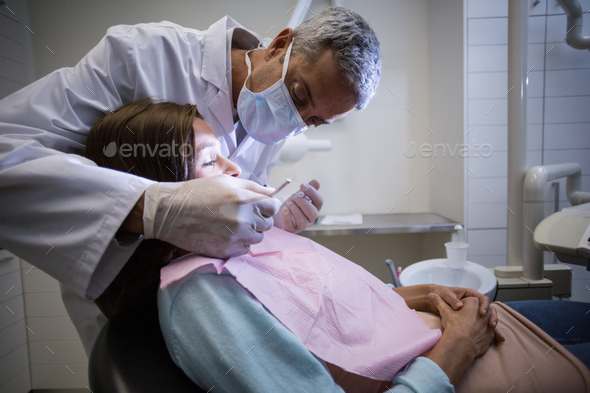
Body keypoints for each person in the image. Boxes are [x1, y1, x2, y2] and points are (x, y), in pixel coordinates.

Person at [87, 100, 590, 393]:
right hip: (471, 365)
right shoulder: (201, 299)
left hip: (455, 332)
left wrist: (405, 297)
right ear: (163, 192)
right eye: (211, 162)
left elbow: (314, 321)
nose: (237, 170)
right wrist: (459, 346)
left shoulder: (226, 251)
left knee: (579, 311)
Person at [0, 7, 381, 354]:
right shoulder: (143, 56)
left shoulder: (276, 128)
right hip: (121, 299)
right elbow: (7, 154)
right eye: (299, 96)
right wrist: (152, 207)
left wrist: (268, 223)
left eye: (314, 122)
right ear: (280, 45)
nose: (296, 122)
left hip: (208, 306)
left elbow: (230, 207)